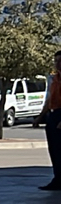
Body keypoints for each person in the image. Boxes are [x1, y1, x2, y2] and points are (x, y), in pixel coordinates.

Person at [42, 50, 61, 191]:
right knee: (54, 149)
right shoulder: (54, 79)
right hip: (53, 115)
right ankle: (57, 179)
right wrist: (41, 115)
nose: (58, 64)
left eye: (60, 61)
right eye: (56, 61)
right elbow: (49, 99)